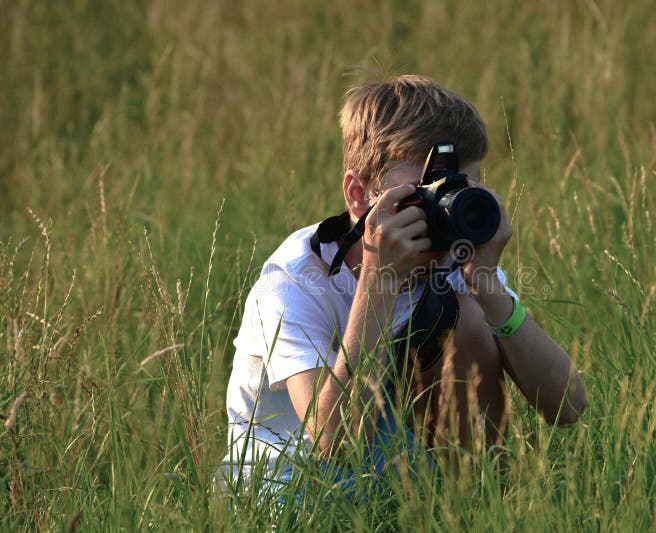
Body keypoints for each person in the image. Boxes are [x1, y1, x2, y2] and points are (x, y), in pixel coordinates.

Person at [220, 75, 586, 495]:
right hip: (289, 484)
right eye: (424, 196)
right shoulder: (295, 278)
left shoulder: (454, 260)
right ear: (359, 196)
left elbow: (568, 405)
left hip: (396, 467)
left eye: (457, 193)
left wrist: (489, 290)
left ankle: (478, 509)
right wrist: (381, 279)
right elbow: (330, 441)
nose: (441, 216)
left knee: (467, 320)